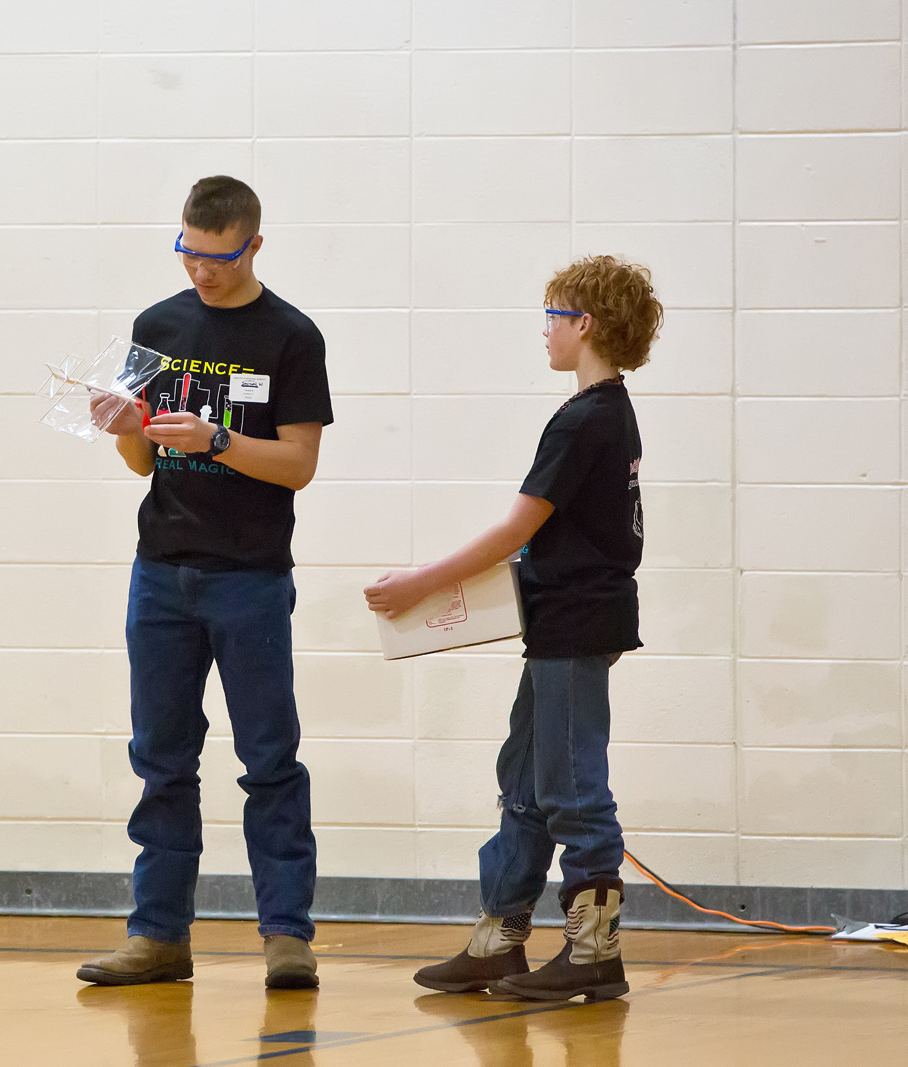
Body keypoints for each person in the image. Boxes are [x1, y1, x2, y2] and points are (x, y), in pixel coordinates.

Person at [365, 255, 662, 1002]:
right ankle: (501, 935)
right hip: (564, 622)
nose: (547, 331)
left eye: (554, 316)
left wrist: (419, 584)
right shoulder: (608, 411)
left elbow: (515, 529)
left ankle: (594, 948)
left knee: (570, 786)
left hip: (573, 623)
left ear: (585, 324)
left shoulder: (585, 419)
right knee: (525, 781)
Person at [75, 175, 333, 990]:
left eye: (217, 258)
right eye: (188, 253)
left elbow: (298, 465)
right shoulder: (157, 325)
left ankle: (286, 934)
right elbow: (143, 458)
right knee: (160, 760)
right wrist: (125, 428)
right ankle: (158, 935)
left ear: (254, 244)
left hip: (250, 579)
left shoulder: (292, 336)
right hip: (161, 574)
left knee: (269, 761)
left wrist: (219, 437)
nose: (201, 273)